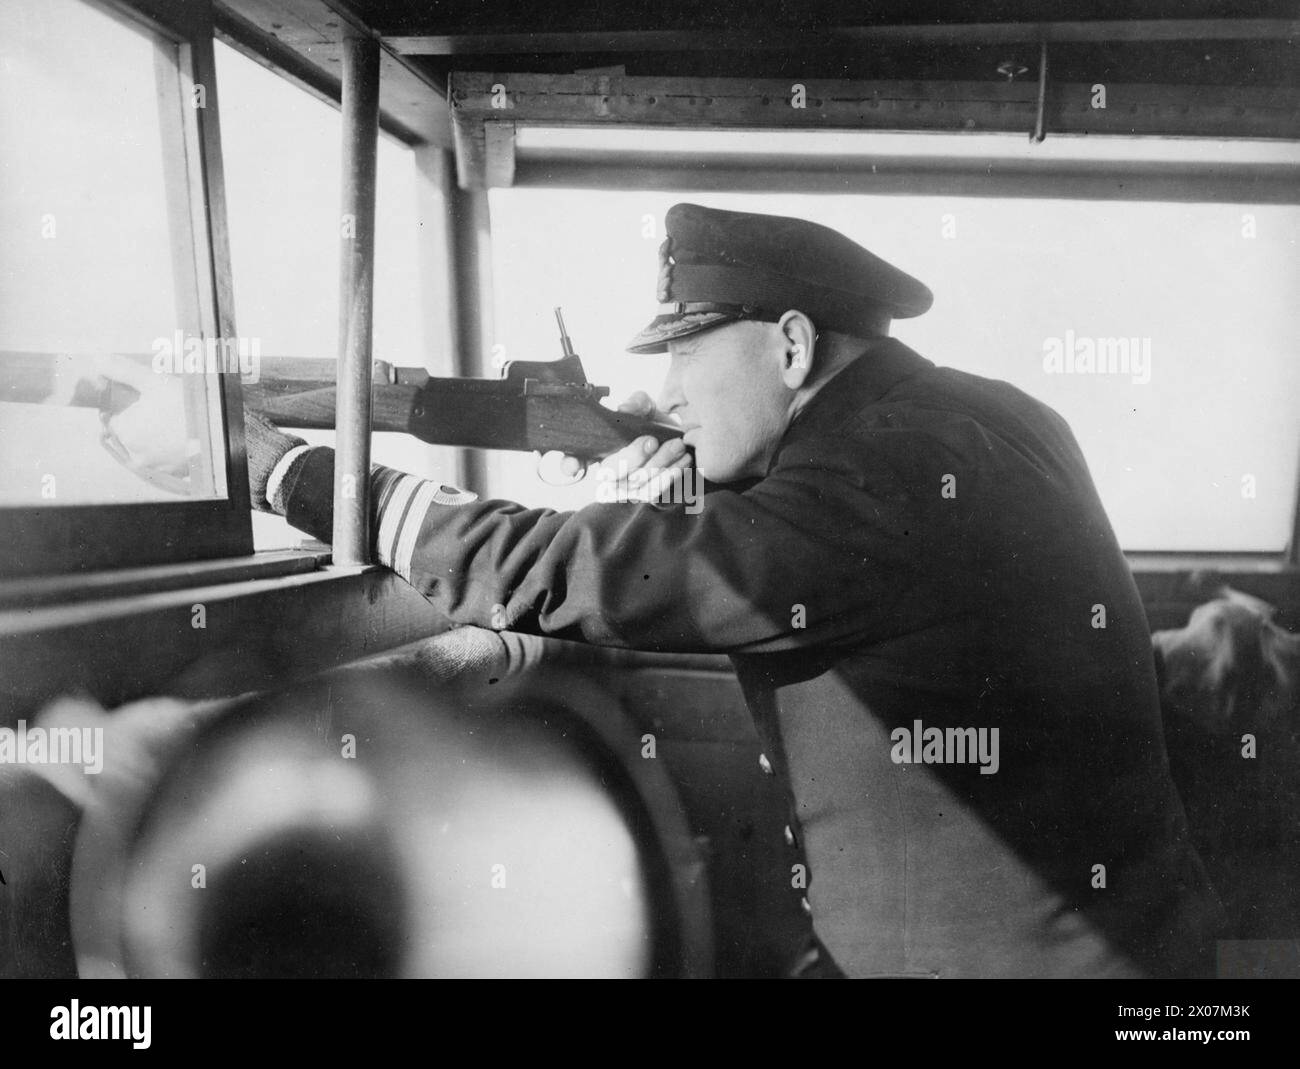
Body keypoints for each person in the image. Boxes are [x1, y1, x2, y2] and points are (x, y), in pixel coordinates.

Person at [146, 203, 1226, 977]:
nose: (664, 391)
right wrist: (690, 479)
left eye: (686, 351)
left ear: (792, 344)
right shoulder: (988, 415)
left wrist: (291, 473)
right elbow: (835, 557)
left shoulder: (882, 476)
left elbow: (566, 572)